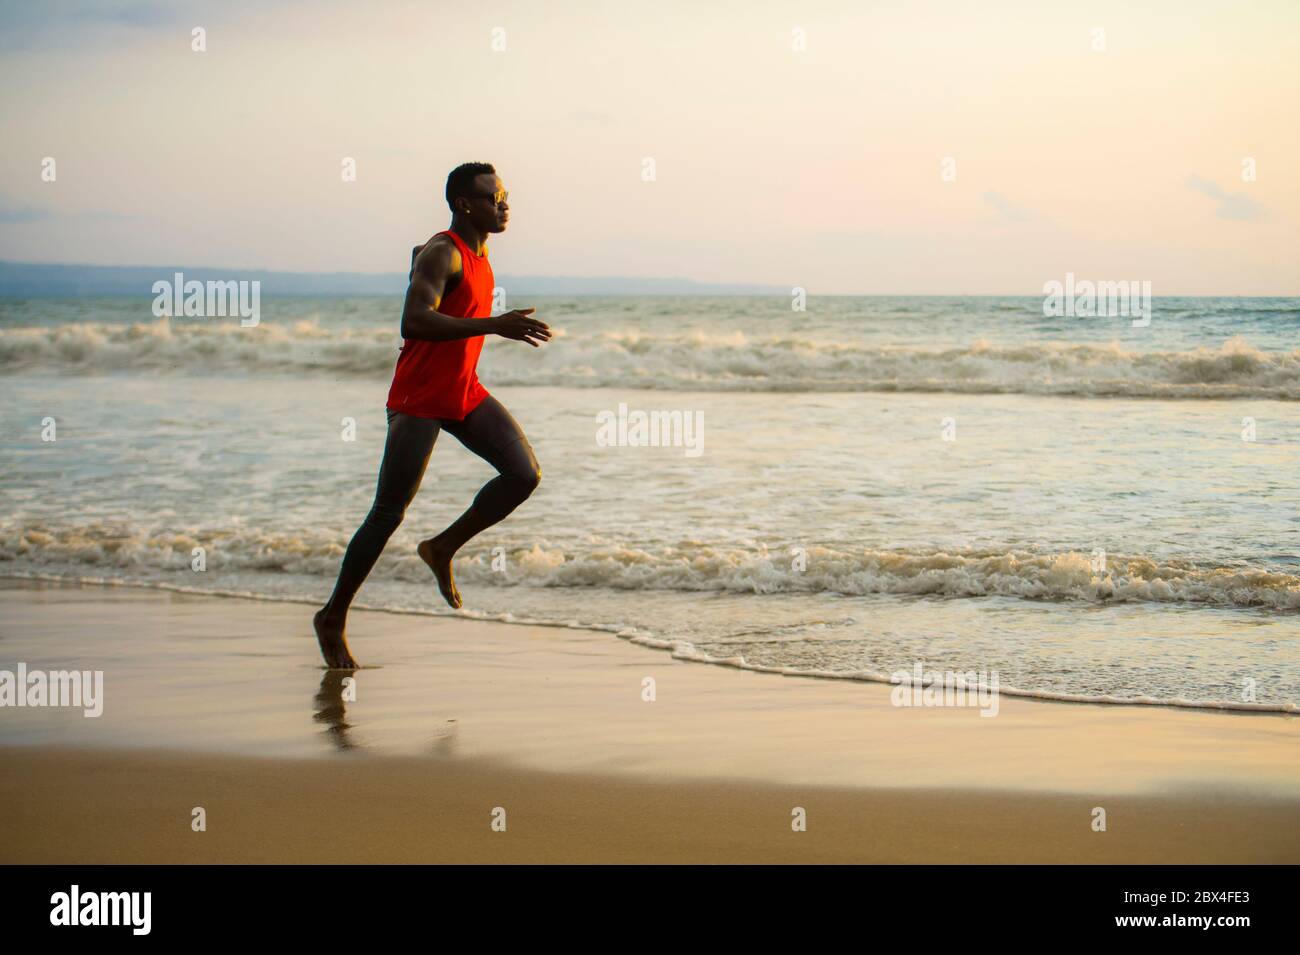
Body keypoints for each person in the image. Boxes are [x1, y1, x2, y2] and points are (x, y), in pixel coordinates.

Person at [313, 162, 551, 668]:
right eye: (491, 197)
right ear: (464, 204)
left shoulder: (476, 253)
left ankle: (442, 548)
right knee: (387, 513)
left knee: (523, 474)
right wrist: (494, 325)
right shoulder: (445, 251)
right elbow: (414, 319)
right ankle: (332, 617)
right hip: (420, 397)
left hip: (462, 392)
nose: (503, 204)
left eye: (504, 194)